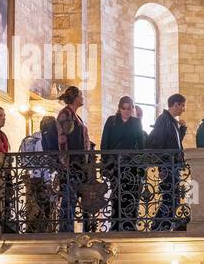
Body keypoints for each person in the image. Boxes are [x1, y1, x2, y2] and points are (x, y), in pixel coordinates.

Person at [54, 86, 96, 232]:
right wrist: (66, 163)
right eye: (81, 95)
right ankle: (66, 232)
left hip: (79, 165)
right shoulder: (66, 114)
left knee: (77, 199)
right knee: (68, 200)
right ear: (75, 98)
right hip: (71, 165)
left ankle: (83, 229)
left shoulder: (75, 115)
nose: (82, 98)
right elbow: (63, 140)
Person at [101, 96, 146, 229]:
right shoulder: (111, 121)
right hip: (115, 165)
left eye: (129, 108)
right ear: (119, 108)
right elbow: (105, 143)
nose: (126, 111)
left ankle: (130, 224)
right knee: (116, 195)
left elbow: (141, 146)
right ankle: (115, 225)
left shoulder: (136, 123)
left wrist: (141, 167)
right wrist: (104, 164)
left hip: (131, 166)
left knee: (131, 195)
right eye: (123, 108)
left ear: (132, 109)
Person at [148, 94, 188, 229]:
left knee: (174, 198)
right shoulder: (163, 120)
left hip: (173, 165)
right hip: (167, 165)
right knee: (170, 198)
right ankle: (158, 227)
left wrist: (182, 129)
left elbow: (174, 144)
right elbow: (159, 144)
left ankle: (163, 225)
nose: (184, 109)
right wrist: (162, 168)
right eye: (182, 105)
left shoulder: (171, 121)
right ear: (175, 104)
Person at [18, 116, 56, 232]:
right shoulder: (42, 141)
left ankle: (35, 230)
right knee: (44, 210)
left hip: (34, 178)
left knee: (36, 208)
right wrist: (48, 183)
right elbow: (43, 165)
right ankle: (40, 232)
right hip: (41, 180)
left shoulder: (34, 137)